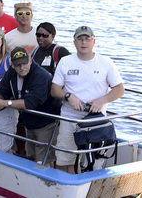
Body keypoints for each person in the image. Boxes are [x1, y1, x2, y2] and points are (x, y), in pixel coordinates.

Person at [51, 26, 124, 172]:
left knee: (95, 162)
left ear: (93, 41)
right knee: (64, 159)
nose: (83, 42)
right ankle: (66, 187)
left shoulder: (106, 62)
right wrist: (68, 96)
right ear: (74, 42)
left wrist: (101, 100)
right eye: (80, 39)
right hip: (70, 119)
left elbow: (119, 90)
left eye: (87, 39)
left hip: (96, 121)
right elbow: (55, 89)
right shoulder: (66, 61)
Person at [0, 47, 61, 165]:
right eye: (18, 64)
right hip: (28, 122)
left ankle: (46, 181)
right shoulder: (11, 72)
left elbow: (30, 103)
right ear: (12, 65)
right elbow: (2, 89)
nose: (22, 67)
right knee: (30, 155)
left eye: (24, 63)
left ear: (30, 60)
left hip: (46, 122)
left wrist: (4, 103)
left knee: (42, 160)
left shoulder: (41, 76)